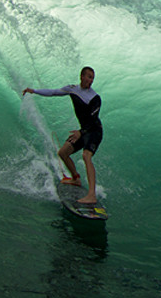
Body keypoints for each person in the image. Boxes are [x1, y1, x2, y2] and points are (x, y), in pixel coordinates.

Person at [23, 67, 103, 205]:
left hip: (94, 131)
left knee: (86, 156)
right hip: (83, 131)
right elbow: (53, 92)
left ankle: (91, 195)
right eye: (89, 77)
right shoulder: (72, 89)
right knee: (63, 152)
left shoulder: (95, 98)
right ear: (82, 76)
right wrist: (34, 91)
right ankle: (75, 178)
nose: (91, 80)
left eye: (92, 78)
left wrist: (81, 132)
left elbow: (93, 120)